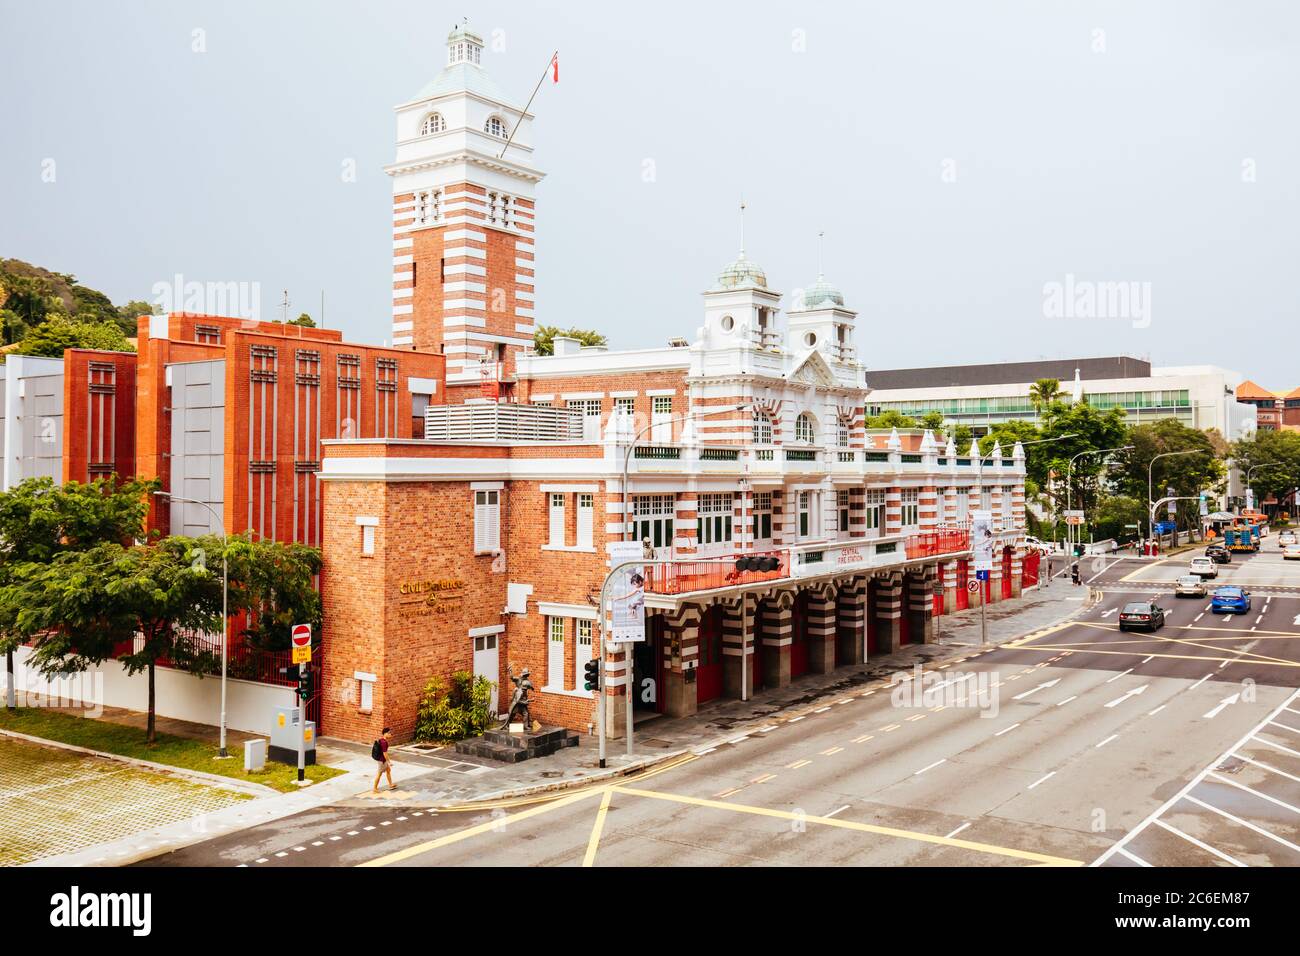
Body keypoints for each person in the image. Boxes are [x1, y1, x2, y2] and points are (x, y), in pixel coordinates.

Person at [371, 727, 395, 793]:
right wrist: (389, 762)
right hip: (382, 761)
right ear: (385, 733)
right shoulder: (384, 742)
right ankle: (375, 788)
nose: (391, 734)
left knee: (388, 770)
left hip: (383, 760)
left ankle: (390, 784)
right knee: (379, 774)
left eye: (391, 733)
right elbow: (385, 753)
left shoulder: (381, 740)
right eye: (389, 733)